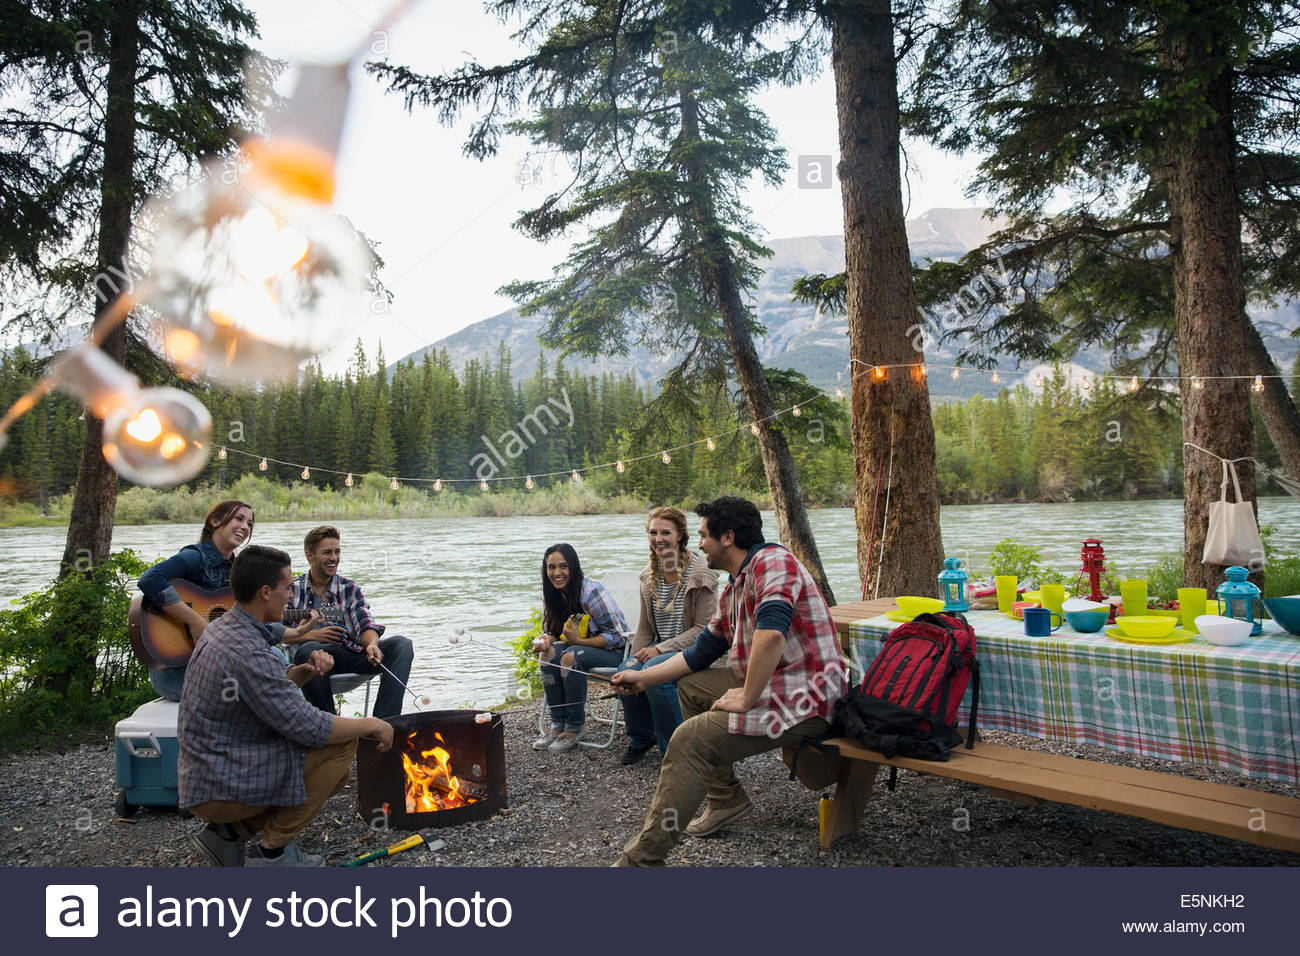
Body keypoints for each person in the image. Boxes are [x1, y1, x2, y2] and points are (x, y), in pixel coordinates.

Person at [611, 496, 846, 866]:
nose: (699, 543)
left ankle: (641, 862)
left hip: (809, 699)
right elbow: (701, 651)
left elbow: (771, 634)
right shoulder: (736, 584)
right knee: (691, 686)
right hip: (774, 687)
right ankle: (726, 800)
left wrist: (746, 697)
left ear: (727, 537)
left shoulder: (774, 562)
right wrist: (642, 678)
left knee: (690, 739)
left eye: (704, 535)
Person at [179, 544, 394, 867]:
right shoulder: (248, 651)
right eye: (286, 588)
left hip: (208, 770)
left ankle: (226, 835)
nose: (290, 594)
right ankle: (272, 853)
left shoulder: (228, 628)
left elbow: (260, 689)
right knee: (341, 745)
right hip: (220, 783)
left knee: (334, 774)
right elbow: (312, 728)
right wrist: (374, 724)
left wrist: (302, 672)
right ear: (265, 592)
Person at [136, 500, 313, 701]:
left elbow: (247, 624)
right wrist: (195, 622)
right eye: (239, 519)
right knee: (270, 664)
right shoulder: (195, 557)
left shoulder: (236, 570)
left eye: (249, 523)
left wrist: (299, 632)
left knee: (273, 654)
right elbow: (150, 579)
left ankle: (300, 722)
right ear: (215, 521)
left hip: (215, 665)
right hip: (176, 672)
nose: (245, 527)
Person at [616, 507, 718, 766]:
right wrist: (633, 659)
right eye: (653, 532)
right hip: (660, 649)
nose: (658, 538)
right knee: (626, 668)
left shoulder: (701, 573)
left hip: (698, 651)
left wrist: (660, 650)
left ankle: (674, 752)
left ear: (681, 535)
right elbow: (645, 630)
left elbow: (703, 629)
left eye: (665, 533)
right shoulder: (648, 576)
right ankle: (641, 738)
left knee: (653, 671)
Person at [279, 525, 415, 720]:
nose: (334, 558)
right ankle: (330, 724)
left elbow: (365, 623)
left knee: (402, 644)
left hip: (347, 655)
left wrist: (372, 645)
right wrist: (310, 635)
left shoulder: (349, 589)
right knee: (309, 649)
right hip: (308, 661)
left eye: (337, 551)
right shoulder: (292, 589)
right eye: (327, 552)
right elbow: (275, 631)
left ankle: (386, 723)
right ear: (310, 555)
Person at [534, 543, 630, 752]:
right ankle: (558, 725)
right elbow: (552, 631)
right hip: (578, 648)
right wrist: (544, 640)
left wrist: (578, 642)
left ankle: (575, 727)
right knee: (548, 654)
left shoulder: (591, 591)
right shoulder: (552, 592)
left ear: (574, 567)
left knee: (571, 656)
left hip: (616, 653)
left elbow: (618, 637)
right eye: (551, 567)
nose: (557, 573)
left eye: (563, 566)